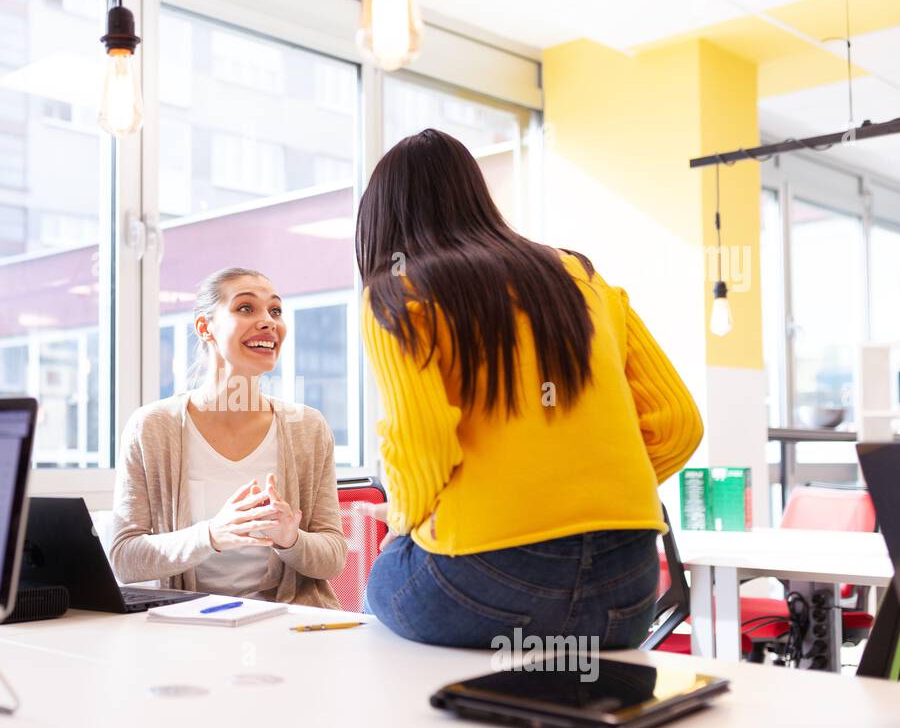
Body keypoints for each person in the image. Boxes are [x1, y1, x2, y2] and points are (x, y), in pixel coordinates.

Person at [357, 129, 703, 648]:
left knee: (386, 576)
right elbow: (677, 422)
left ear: (380, 221)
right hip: (629, 584)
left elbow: (420, 441)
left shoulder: (396, 292)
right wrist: (580, 491)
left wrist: (407, 521)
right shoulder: (581, 277)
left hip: (485, 583)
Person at [110, 267, 346, 608]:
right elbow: (124, 558)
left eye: (275, 310)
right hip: (187, 627)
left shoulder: (308, 427)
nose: (268, 321)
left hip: (289, 623)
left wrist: (291, 539)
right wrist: (211, 535)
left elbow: (333, 558)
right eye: (246, 308)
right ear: (205, 328)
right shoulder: (152, 427)